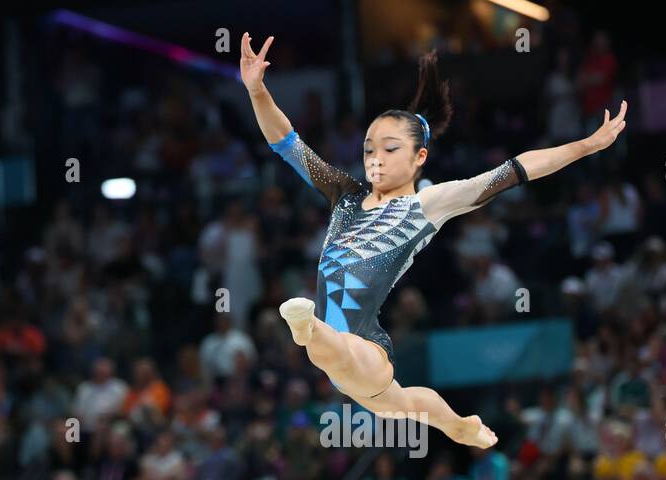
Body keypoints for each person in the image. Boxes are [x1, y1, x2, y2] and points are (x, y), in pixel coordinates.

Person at [241, 34, 627, 446]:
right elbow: (286, 142)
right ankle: (456, 423)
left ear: (419, 158)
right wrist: (257, 90)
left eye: (390, 149)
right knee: (396, 404)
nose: (376, 158)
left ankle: (307, 329)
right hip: (351, 363)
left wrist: (585, 146)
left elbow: (514, 170)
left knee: (336, 354)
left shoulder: (427, 205)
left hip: (364, 346)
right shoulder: (344, 194)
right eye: (370, 148)